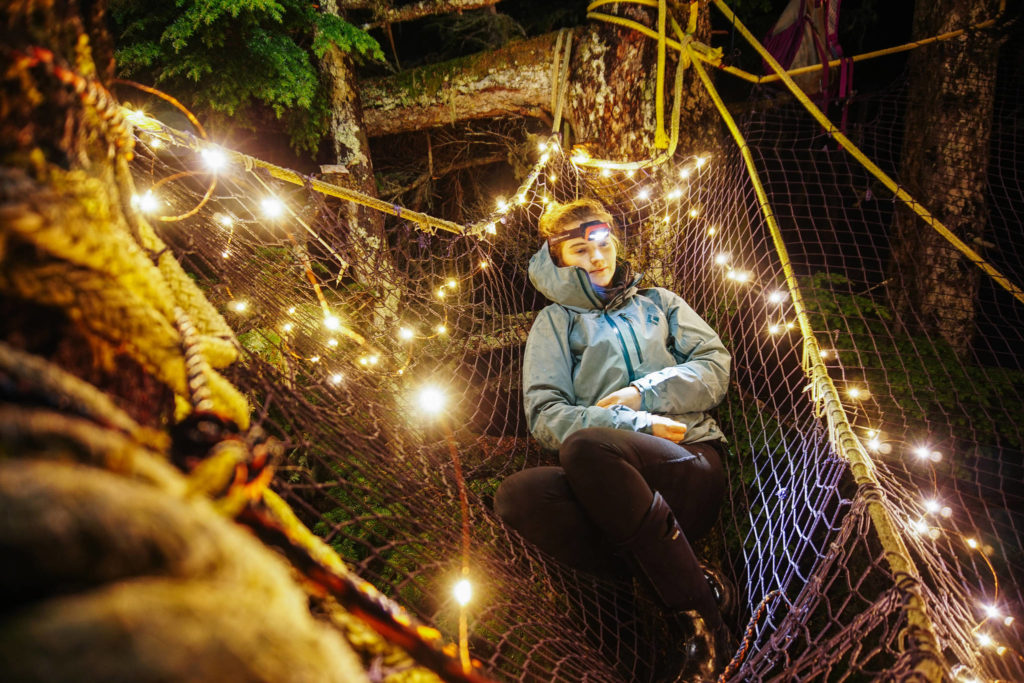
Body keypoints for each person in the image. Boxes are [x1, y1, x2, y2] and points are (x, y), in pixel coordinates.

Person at [494, 198, 734, 677]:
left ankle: (704, 626)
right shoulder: (555, 323)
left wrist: (640, 394)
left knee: (587, 445)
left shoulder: (659, 303)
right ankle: (665, 590)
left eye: (603, 243)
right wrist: (634, 425)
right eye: (581, 251)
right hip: (608, 482)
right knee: (518, 495)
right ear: (558, 261)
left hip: (688, 462)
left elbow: (714, 368)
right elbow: (545, 414)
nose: (597, 257)